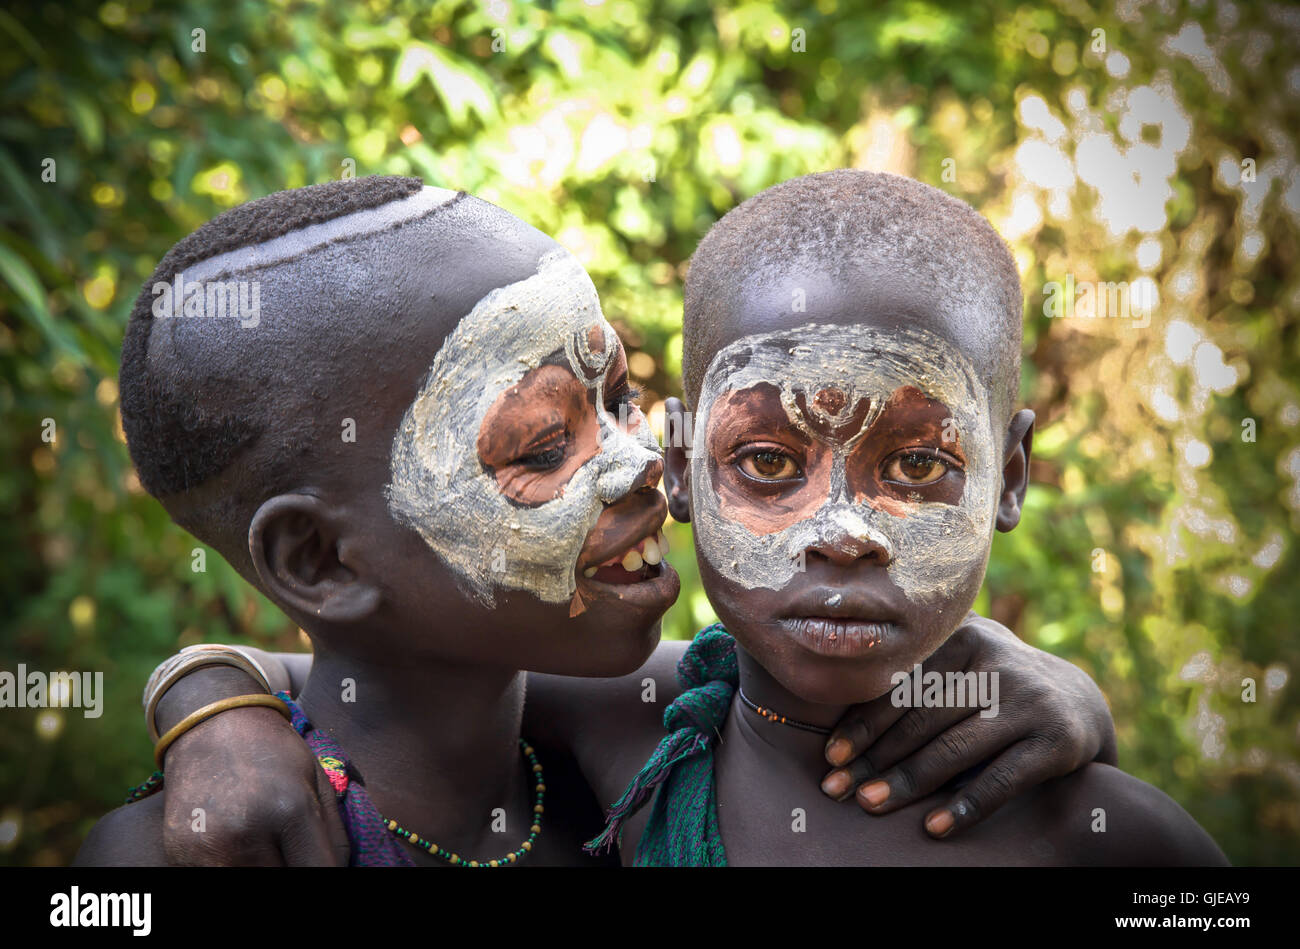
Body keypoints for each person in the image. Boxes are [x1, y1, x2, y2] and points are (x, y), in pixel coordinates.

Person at [75, 175, 1119, 867]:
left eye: (617, 397)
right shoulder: (194, 850)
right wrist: (211, 706)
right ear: (317, 557)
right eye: (541, 447)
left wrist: (1038, 681)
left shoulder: (626, 747)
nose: (641, 462)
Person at [585, 169, 1228, 865]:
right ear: (680, 466)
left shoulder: (1113, 840)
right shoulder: (598, 728)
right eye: (768, 463)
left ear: (1009, 477)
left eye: (918, 467)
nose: (842, 533)